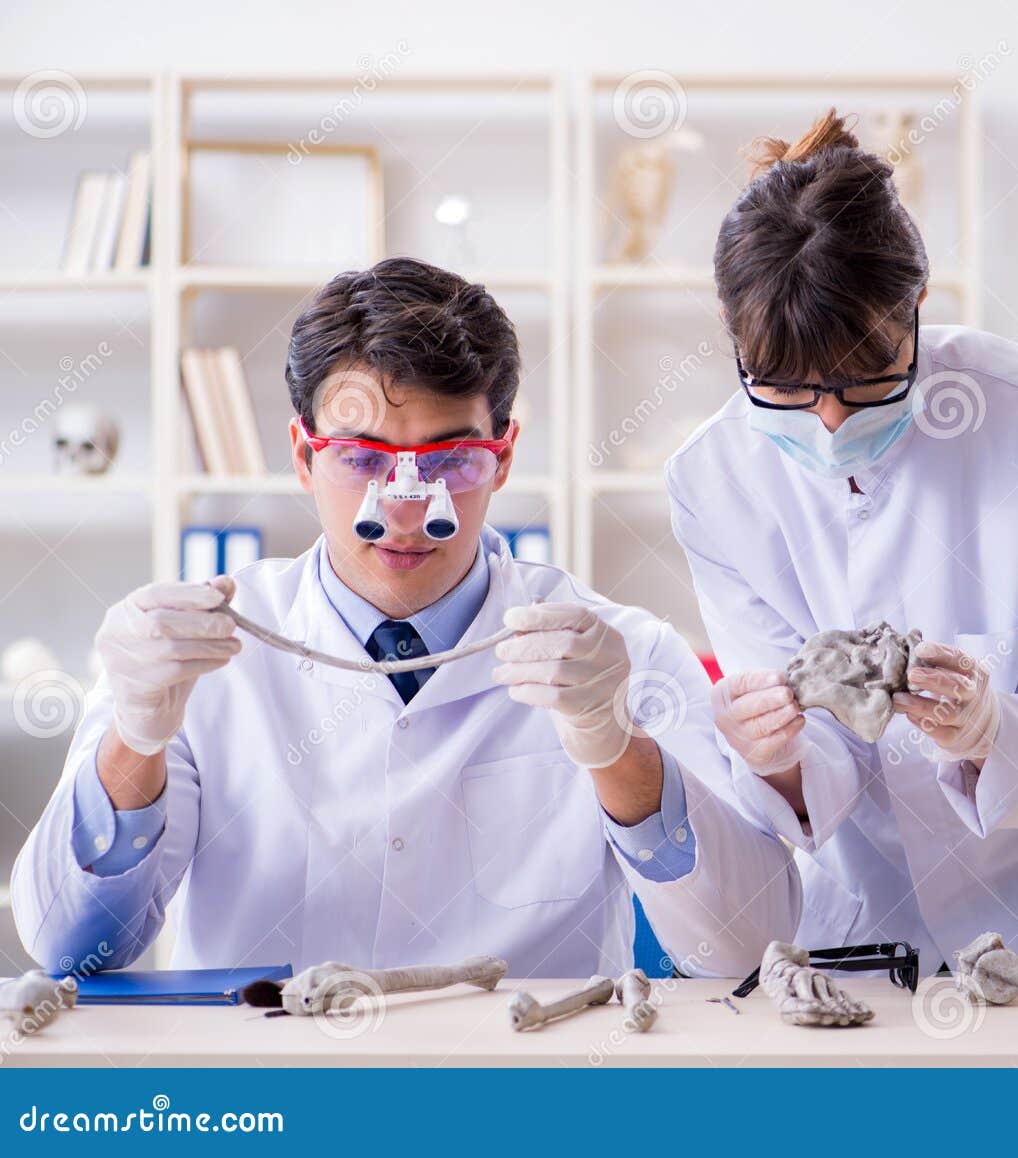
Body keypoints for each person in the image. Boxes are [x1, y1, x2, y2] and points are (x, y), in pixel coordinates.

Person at [13, 258, 798, 978]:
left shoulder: (617, 653)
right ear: (302, 455)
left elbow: (744, 949)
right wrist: (134, 745)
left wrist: (617, 750)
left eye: (450, 460)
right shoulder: (195, 652)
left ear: (503, 456)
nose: (404, 509)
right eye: (360, 457)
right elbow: (67, 949)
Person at [667, 111, 1018, 976]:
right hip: (884, 909)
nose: (831, 419)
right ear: (734, 336)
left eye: (867, 376)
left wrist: (993, 729)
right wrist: (773, 755)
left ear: (917, 304)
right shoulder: (712, 482)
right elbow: (820, 758)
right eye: (786, 389)